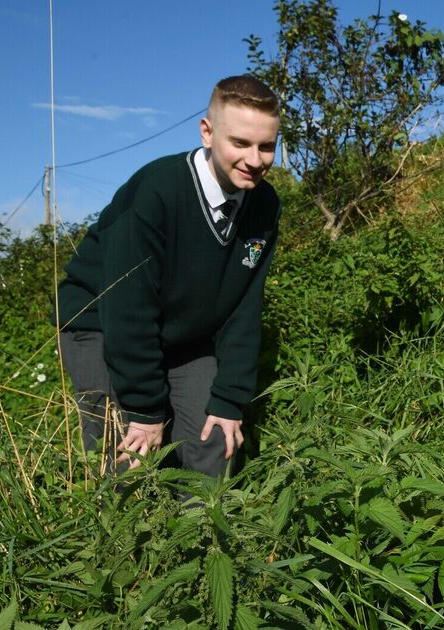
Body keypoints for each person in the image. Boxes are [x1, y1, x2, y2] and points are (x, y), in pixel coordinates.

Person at [57, 75, 281, 478]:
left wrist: (230, 398)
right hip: (102, 323)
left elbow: (245, 307)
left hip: (183, 333)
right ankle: (118, 515)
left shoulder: (264, 205)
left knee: (217, 436)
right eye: (240, 143)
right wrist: (145, 409)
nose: (254, 159)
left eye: (266, 146)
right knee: (125, 454)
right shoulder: (157, 190)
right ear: (207, 133)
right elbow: (127, 305)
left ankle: (201, 519)